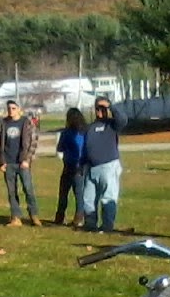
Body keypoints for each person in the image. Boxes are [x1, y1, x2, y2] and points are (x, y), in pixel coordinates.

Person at [81, 96, 128, 233]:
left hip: (108, 166)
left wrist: (111, 106)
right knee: (88, 198)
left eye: (102, 108)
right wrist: (82, 163)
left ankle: (107, 226)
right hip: (91, 168)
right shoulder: (90, 127)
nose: (99, 111)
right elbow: (85, 147)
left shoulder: (112, 125)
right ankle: (90, 224)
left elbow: (123, 119)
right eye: (97, 108)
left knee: (108, 197)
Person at [0, 100, 40, 227]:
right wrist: (0, 161)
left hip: (22, 162)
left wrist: (27, 160)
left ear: (19, 109)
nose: (11, 111)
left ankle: (34, 215)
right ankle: (16, 217)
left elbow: (33, 142)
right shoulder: (3, 123)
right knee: (11, 191)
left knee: (28, 189)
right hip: (8, 162)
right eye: (9, 108)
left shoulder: (26, 122)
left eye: (14, 108)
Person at [54, 108, 87, 226]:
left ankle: (60, 216)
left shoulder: (66, 133)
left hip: (69, 165)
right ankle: (79, 217)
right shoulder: (85, 132)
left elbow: (60, 148)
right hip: (81, 165)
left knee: (63, 193)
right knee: (79, 194)